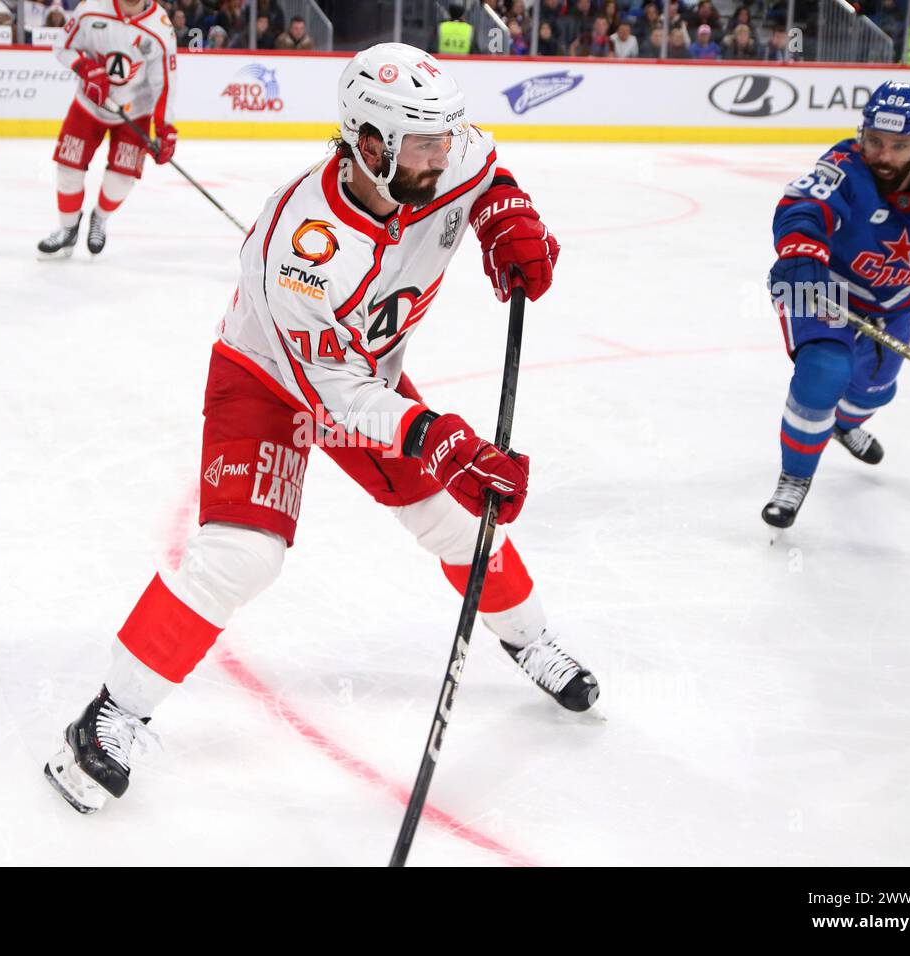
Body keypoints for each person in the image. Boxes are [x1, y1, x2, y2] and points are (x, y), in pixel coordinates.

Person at [43, 42, 598, 815]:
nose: (444, 158)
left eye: (446, 139)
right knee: (241, 555)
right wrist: (437, 436)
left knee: (455, 518)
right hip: (269, 380)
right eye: (424, 147)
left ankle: (531, 638)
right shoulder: (301, 248)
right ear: (369, 143)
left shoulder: (442, 153)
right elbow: (332, 396)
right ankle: (111, 714)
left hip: (359, 375)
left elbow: (486, 173)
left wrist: (509, 217)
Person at [762, 82, 910, 528]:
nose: (883, 156)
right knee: (825, 372)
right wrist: (799, 255)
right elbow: (804, 209)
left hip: (894, 305)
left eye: (898, 146)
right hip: (824, 290)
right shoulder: (844, 167)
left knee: (875, 391)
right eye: (874, 141)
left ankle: (843, 425)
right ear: (861, 133)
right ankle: (794, 478)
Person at [36, 0, 177, 259]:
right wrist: (86, 68)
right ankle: (67, 228)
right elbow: (62, 47)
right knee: (68, 169)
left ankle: (99, 218)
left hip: (136, 111)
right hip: (88, 106)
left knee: (121, 180)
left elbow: (164, 84)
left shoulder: (159, 28)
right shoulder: (90, 9)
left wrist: (165, 129)